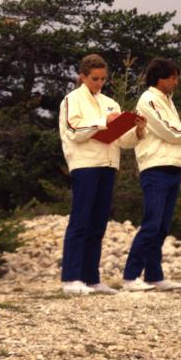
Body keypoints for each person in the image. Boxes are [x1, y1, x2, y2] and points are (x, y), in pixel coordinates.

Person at [122, 58, 181, 291]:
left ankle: (154, 275)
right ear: (159, 78)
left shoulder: (167, 101)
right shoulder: (148, 99)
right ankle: (130, 277)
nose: (176, 82)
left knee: (162, 226)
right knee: (151, 223)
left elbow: (175, 133)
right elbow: (169, 132)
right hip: (155, 168)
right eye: (172, 77)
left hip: (171, 166)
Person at [58, 54, 147, 295]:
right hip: (85, 164)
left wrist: (137, 131)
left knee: (98, 223)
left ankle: (91, 279)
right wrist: (102, 122)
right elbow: (74, 131)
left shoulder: (111, 103)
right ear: (82, 76)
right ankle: (71, 279)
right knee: (80, 221)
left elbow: (122, 140)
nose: (99, 83)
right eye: (94, 79)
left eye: (102, 79)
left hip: (108, 165)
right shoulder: (72, 100)